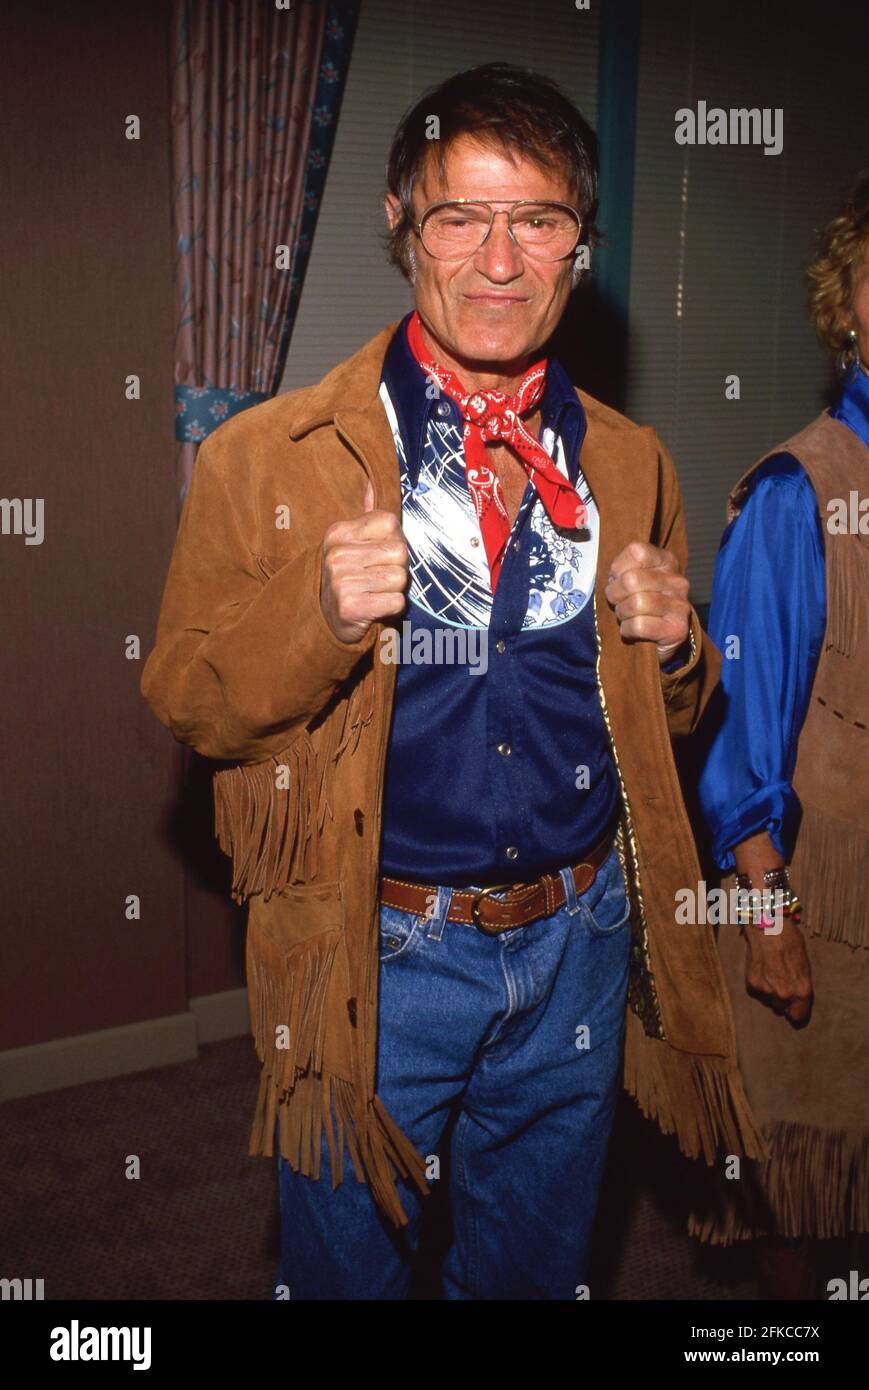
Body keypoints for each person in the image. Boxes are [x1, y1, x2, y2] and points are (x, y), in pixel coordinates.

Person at [141, 62, 761, 1301]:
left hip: (581, 943)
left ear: (577, 246)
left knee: (531, 1274)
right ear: (399, 226)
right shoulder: (270, 453)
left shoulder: (631, 462)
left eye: (535, 220)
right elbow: (190, 699)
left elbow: (661, 723)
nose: (496, 259)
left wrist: (681, 651)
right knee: (342, 1280)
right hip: (376, 954)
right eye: (458, 217)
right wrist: (313, 611)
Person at [693, 174, 869, 1297]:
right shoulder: (794, 493)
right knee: (802, 1186)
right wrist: (766, 920)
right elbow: (733, 744)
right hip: (815, 891)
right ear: (844, 308)